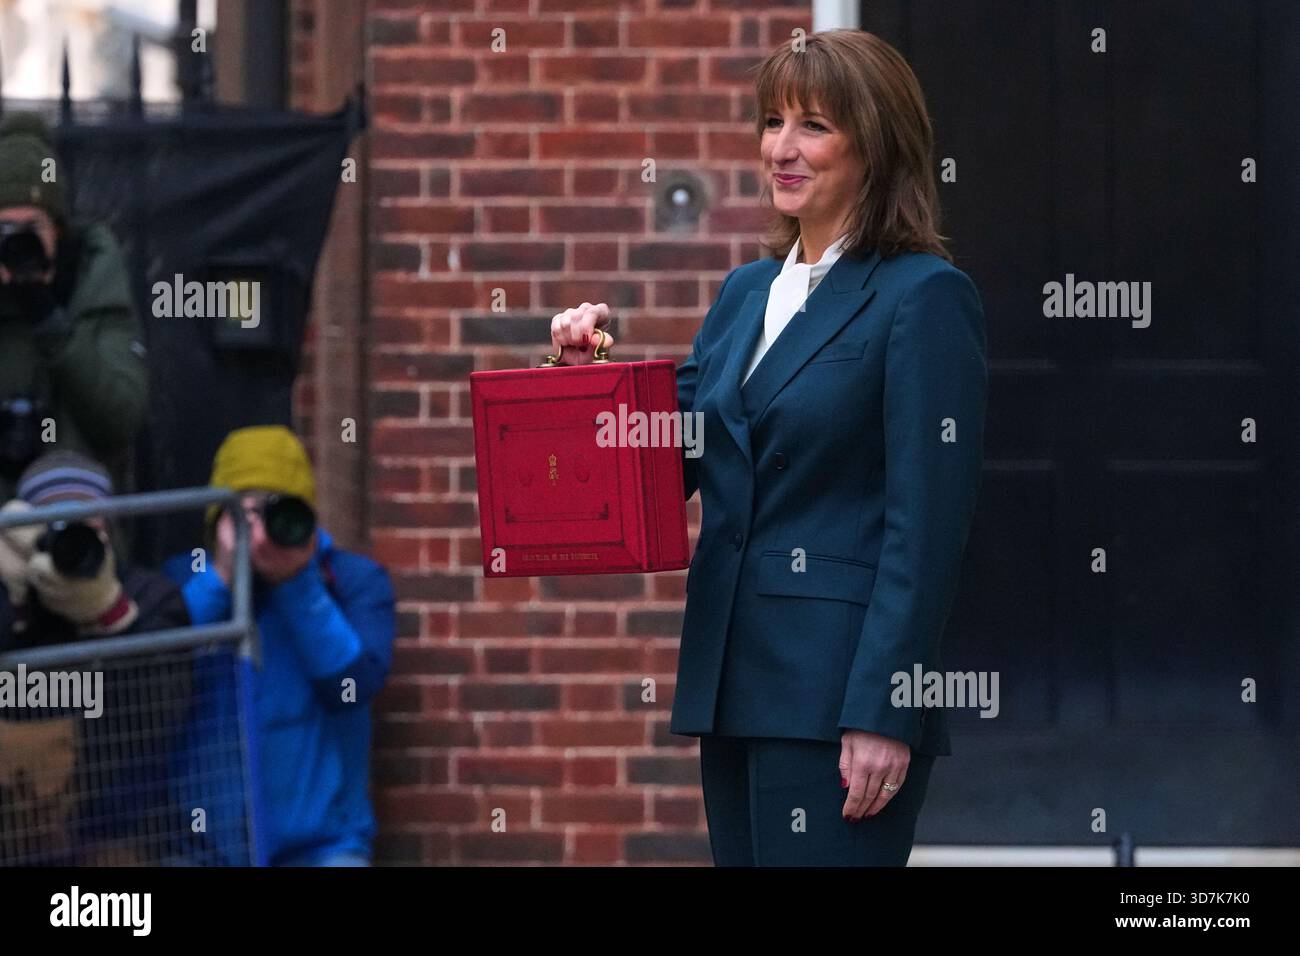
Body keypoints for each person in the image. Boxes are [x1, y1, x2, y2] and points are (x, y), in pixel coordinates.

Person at [547, 30, 987, 865]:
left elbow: (925, 527)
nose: (782, 148)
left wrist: (886, 709)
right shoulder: (747, 294)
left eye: (815, 125)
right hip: (732, 679)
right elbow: (660, 464)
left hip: (839, 696)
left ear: (877, 146)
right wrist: (582, 376)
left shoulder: (924, 298)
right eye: (771, 121)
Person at [164, 425, 396, 866]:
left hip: (323, 846)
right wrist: (222, 580)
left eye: (276, 511)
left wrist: (298, 585)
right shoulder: (182, 581)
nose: (261, 532)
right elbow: (152, 670)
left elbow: (353, 682)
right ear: (217, 519)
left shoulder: (351, 582)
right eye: (242, 512)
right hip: (201, 850)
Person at [0, 451, 191, 865]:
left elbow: (162, 709)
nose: (75, 539)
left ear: (109, 524)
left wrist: (109, 612)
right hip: (16, 833)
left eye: (88, 521)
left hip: (118, 827)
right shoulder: (15, 595)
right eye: (57, 524)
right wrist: (12, 602)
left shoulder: (152, 597)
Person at [0, 112, 148, 504]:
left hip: (79, 541)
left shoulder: (94, 293)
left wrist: (52, 325)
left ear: (58, 230)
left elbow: (120, 417)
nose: (17, 245)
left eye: (29, 230)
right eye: (3, 231)